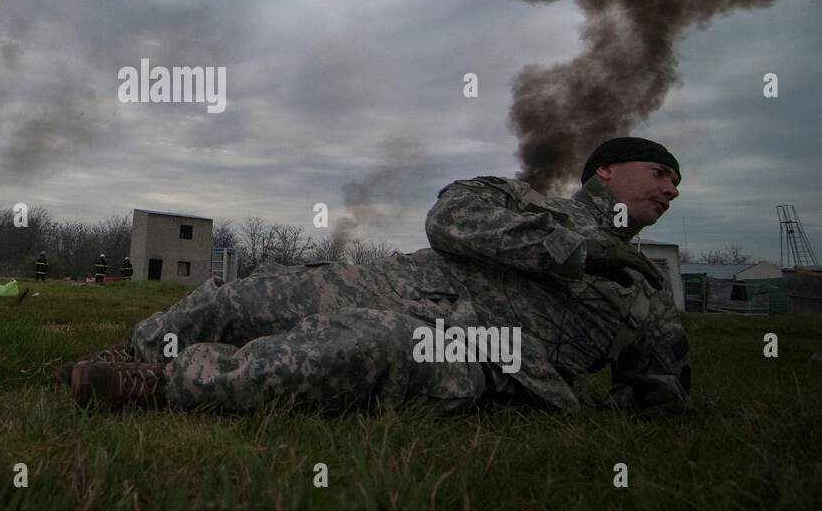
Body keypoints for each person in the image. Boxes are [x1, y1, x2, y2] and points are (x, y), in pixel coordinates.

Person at [58, 137, 691, 418]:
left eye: (676, 185)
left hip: (486, 355)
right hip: (409, 282)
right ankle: (145, 345)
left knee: (364, 349)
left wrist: (641, 399)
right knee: (251, 293)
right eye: (660, 172)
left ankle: (162, 382)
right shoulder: (526, 200)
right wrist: (574, 249)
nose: (669, 189)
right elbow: (448, 217)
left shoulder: (648, 290)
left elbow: (658, 388)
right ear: (605, 171)